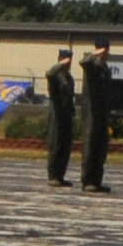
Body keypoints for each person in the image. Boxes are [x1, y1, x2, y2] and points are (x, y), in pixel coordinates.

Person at [79, 40, 116, 193]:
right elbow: (83, 62)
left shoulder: (104, 67)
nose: (108, 54)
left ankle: (96, 180)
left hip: (102, 112)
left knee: (100, 147)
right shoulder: (92, 64)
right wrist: (94, 54)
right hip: (92, 112)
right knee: (90, 145)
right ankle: (88, 181)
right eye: (106, 50)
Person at [43, 48, 77, 186]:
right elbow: (49, 73)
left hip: (67, 114)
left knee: (65, 146)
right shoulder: (55, 75)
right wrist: (60, 64)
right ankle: (53, 176)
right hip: (57, 113)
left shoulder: (69, 78)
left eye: (69, 60)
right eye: (65, 59)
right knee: (56, 144)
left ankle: (60, 175)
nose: (68, 63)